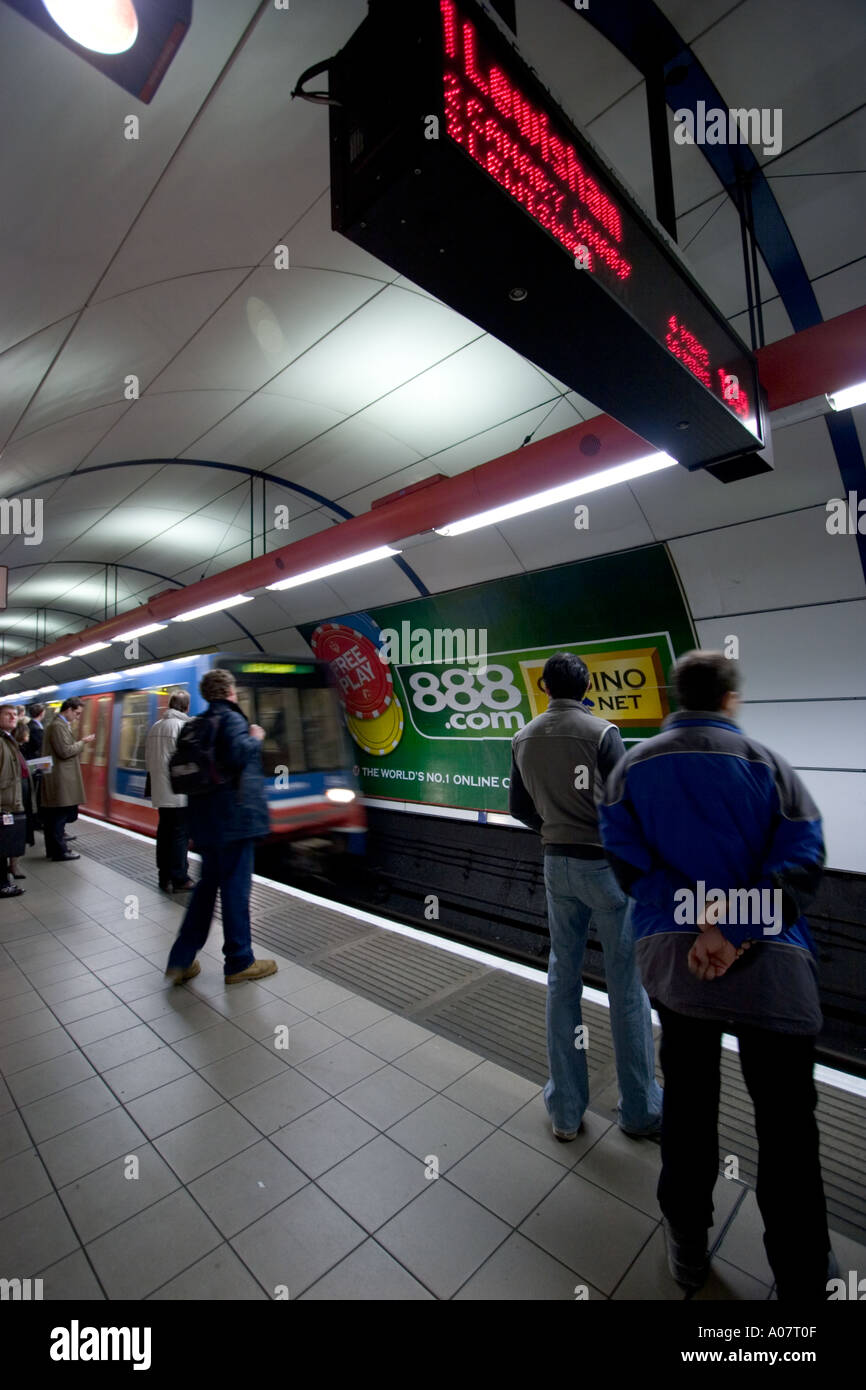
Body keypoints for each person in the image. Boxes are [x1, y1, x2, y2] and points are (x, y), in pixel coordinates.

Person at [599, 650, 832, 1299]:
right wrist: (733, 929)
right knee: (787, 1125)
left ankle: (688, 1247)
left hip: (677, 965)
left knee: (691, 1107)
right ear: (730, 700)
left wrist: (702, 924)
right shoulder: (770, 767)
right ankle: (802, 1276)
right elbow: (803, 864)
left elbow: (629, 867)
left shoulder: (630, 768)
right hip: (773, 969)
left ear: (678, 698)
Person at [509, 652, 662, 1142]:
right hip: (605, 869)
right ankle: (638, 1110)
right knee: (625, 986)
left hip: (557, 865)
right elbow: (628, 808)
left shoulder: (523, 737)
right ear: (586, 685)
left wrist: (553, 828)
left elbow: (518, 808)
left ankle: (566, 1111)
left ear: (545, 688)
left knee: (562, 978)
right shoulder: (602, 733)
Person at [164, 668, 277, 986]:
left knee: (205, 892)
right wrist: (256, 738)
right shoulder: (231, 719)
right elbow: (239, 754)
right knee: (236, 891)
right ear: (229, 691)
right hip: (235, 822)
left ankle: (181, 960)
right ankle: (240, 961)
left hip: (207, 823)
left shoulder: (199, 723)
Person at [145, 690, 194, 893]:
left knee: (164, 833)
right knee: (179, 835)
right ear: (186, 707)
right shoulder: (183, 727)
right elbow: (188, 763)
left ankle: (163, 876)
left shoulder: (155, 726)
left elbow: (148, 760)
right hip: (178, 793)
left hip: (160, 792)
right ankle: (180, 878)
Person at [40, 697, 95, 862]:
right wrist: (82, 742)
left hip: (59, 777)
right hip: (60, 779)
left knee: (55, 818)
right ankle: (59, 851)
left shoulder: (59, 725)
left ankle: (54, 850)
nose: (77, 717)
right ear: (68, 709)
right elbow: (64, 751)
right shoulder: (58, 726)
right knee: (58, 818)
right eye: (77, 713)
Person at [0, 705, 27, 897]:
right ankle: (2, 885)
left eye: (15, 714)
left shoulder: (7, 739)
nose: (12, 717)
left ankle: (3, 883)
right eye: (7, 714)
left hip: (8, 802)